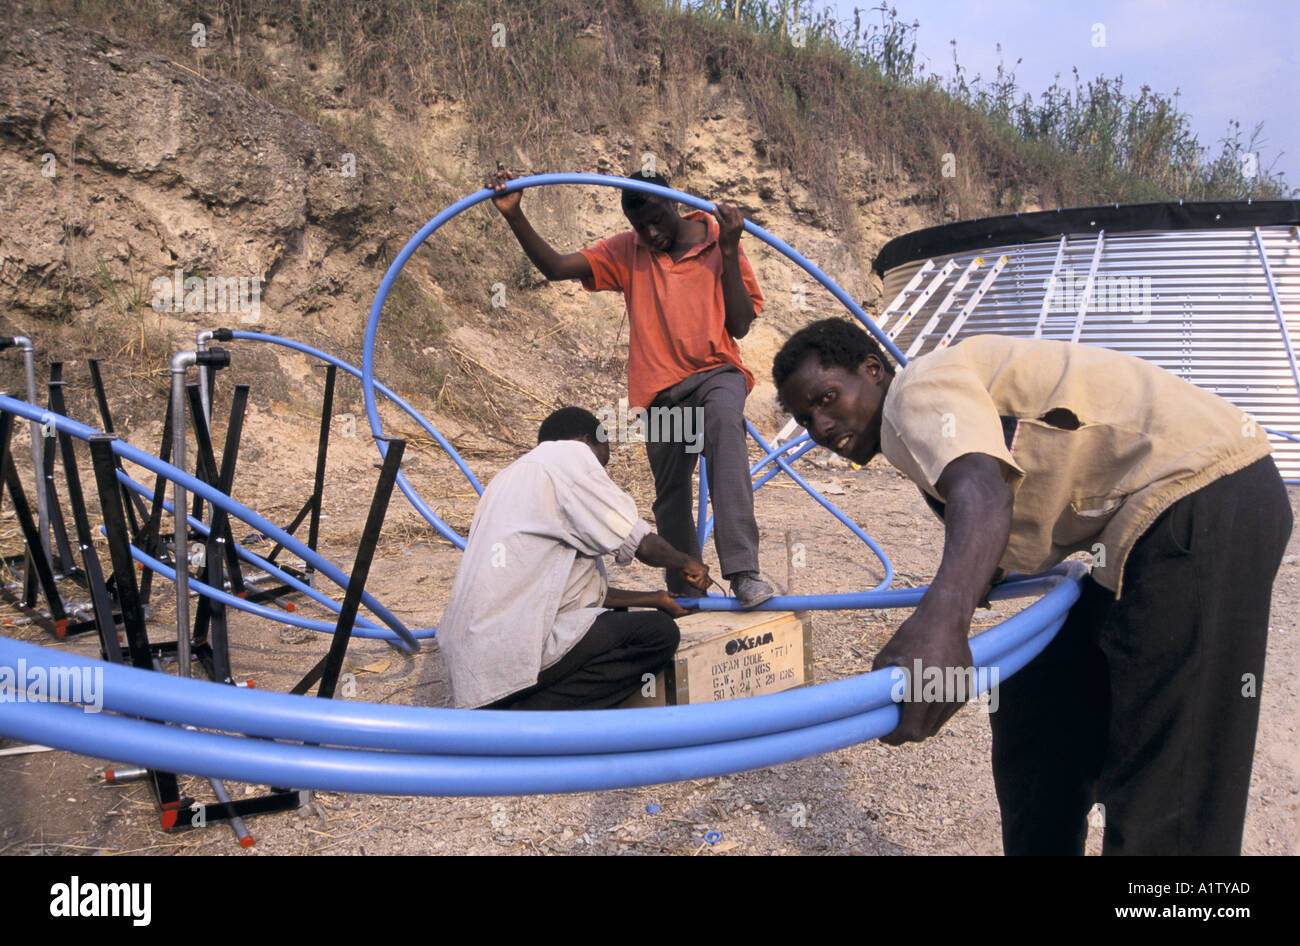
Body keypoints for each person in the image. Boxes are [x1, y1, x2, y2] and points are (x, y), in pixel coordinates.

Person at [772, 318, 1291, 855]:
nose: (823, 425)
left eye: (828, 398)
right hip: (1151, 521)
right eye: (808, 418)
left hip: (1204, 497)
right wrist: (966, 596)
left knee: (1170, 764)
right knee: (1039, 696)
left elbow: (983, 488)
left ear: (872, 371)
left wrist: (942, 623)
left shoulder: (916, 389)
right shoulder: (920, 434)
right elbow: (1004, 516)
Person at [485, 167, 773, 607]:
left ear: (673, 204)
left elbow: (739, 323)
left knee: (723, 429)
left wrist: (731, 251)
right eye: (640, 226)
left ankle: (744, 572)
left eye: (657, 220)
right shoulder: (626, 250)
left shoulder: (718, 238)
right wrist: (514, 215)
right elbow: (557, 267)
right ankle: (686, 586)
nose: (651, 233)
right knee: (671, 493)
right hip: (660, 393)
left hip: (716, 374)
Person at [437, 406, 710, 710]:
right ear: (585, 440)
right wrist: (686, 563)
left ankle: (511, 713)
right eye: (603, 458)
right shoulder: (569, 458)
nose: (601, 472)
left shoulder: (508, 479)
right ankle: (531, 720)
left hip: (472, 664)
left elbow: (577, 594)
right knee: (657, 634)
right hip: (508, 655)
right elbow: (640, 543)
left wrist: (654, 597)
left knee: (618, 621)